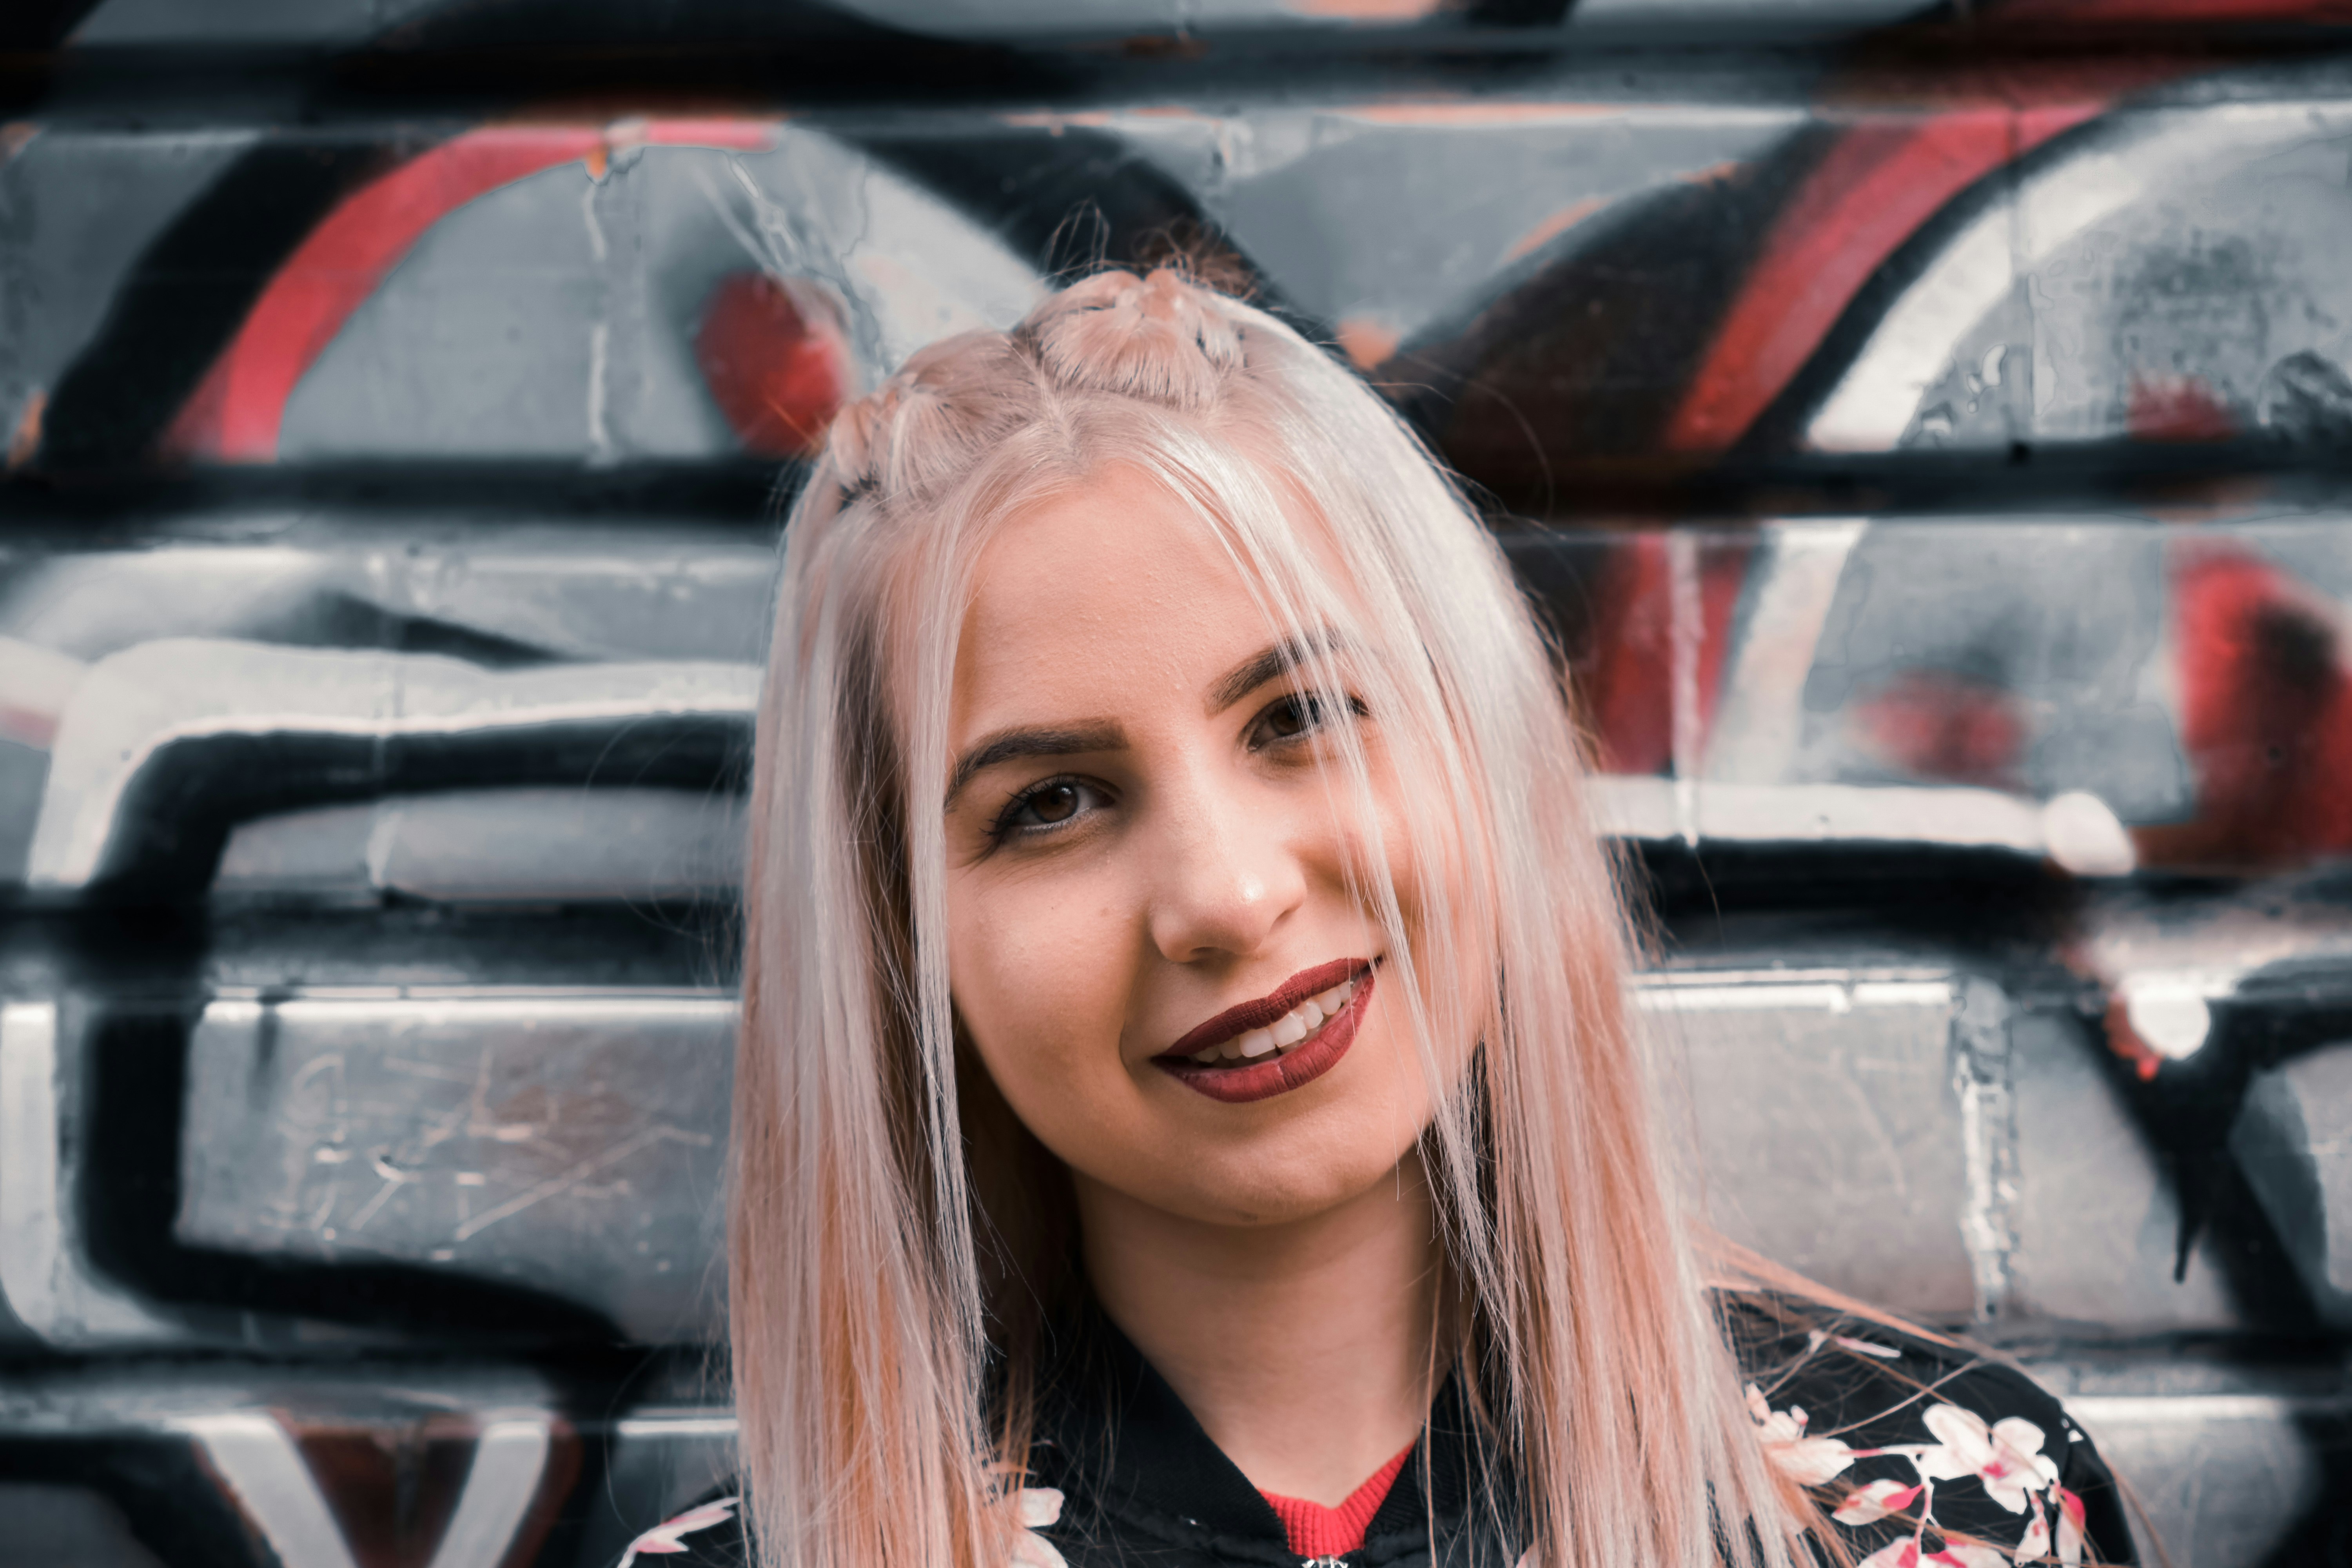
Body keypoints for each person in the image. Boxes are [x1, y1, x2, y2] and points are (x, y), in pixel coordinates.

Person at [626, 268, 2136, 1568]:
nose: (1226, 895)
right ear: (902, 941)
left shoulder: (1950, 1511)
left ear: (1481, 745)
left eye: (1301, 717)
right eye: (1051, 805)